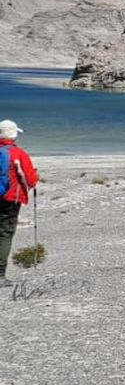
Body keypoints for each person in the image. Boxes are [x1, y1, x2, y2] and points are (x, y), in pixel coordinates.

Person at [0, 120, 38, 286]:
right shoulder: (19, 154)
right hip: (10, 199)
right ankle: (0, 275)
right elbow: (31, 180)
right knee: (5, 234)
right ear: (14, 135)